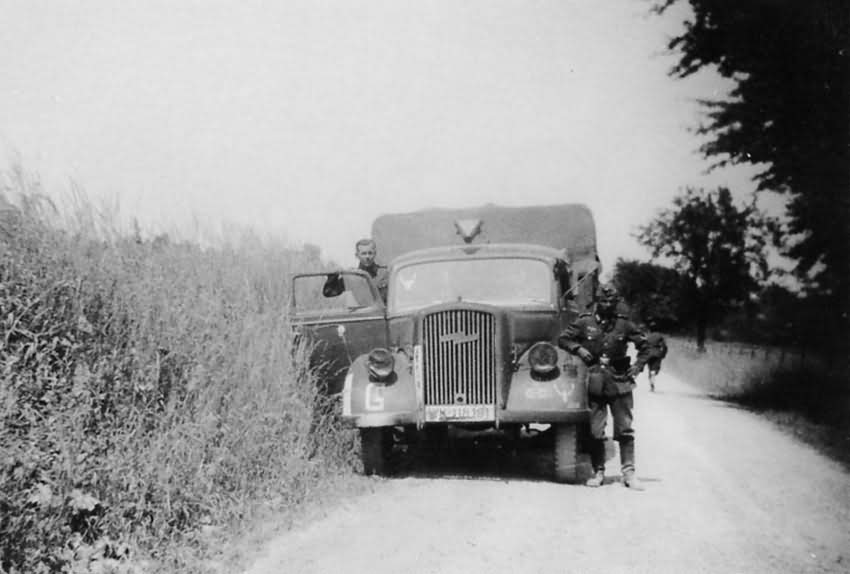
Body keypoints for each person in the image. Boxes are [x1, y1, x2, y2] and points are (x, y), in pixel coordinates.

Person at [558, 283, 649, 490]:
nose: (608, 305)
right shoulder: (584, 322)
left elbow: (646, 346)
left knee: (625, 429)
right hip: (595, 382)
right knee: (595, 431)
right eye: (604, 301)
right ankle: (598, 471)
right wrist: (579, 349)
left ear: (616, 303)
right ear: (597, 301)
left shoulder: (623, 325)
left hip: (620, 382)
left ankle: (629, 473)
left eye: (612, 301)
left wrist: (638, 366)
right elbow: (563, 339)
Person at [354, 238, 389, 302]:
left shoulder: (384, 274)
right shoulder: (352, 277)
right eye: (363, 253)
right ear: (357, 255)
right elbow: (332, 293)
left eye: (370, 253)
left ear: (375, 254)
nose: (367, 257)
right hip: (360, 311)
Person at [645, 318, 668, 392]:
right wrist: (663, 354)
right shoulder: (660, 336)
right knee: (655, 369)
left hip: (649, 354)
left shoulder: (648, 337)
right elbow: (664, 346)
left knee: (650, 368)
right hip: (657, 354)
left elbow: (644, 346)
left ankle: (651, 384)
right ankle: (653, 374)